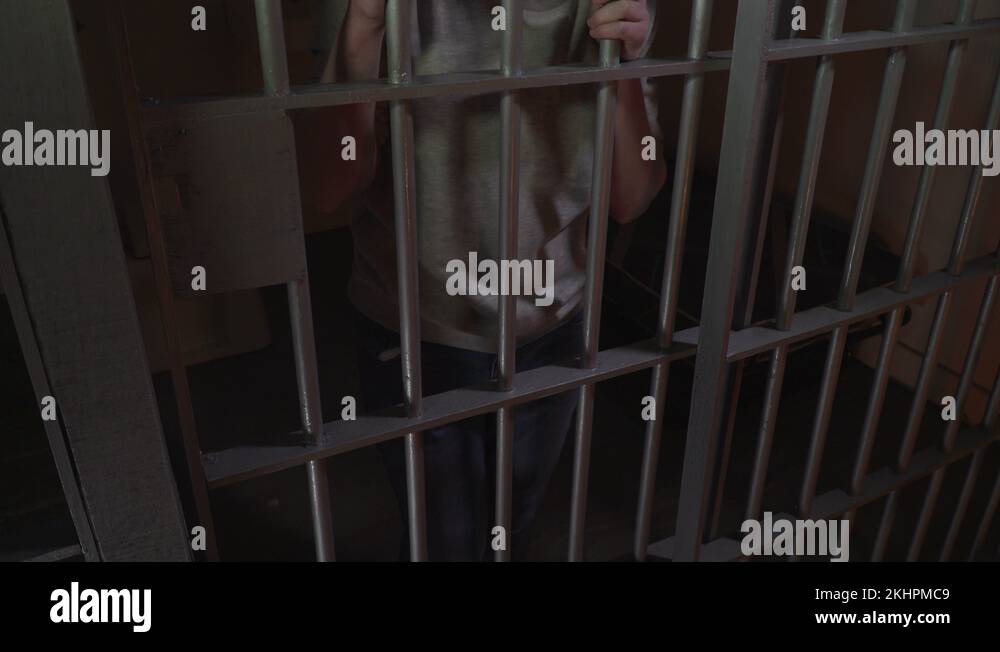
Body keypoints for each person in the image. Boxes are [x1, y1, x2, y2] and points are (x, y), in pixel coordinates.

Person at [324, 0, 665, 560]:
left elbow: (632, 197)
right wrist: (361, 27)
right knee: (445, 542)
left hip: (552, 323)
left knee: (514, 521)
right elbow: (327, 186)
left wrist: (625, 67)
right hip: (415, 328)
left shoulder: (613, 7)